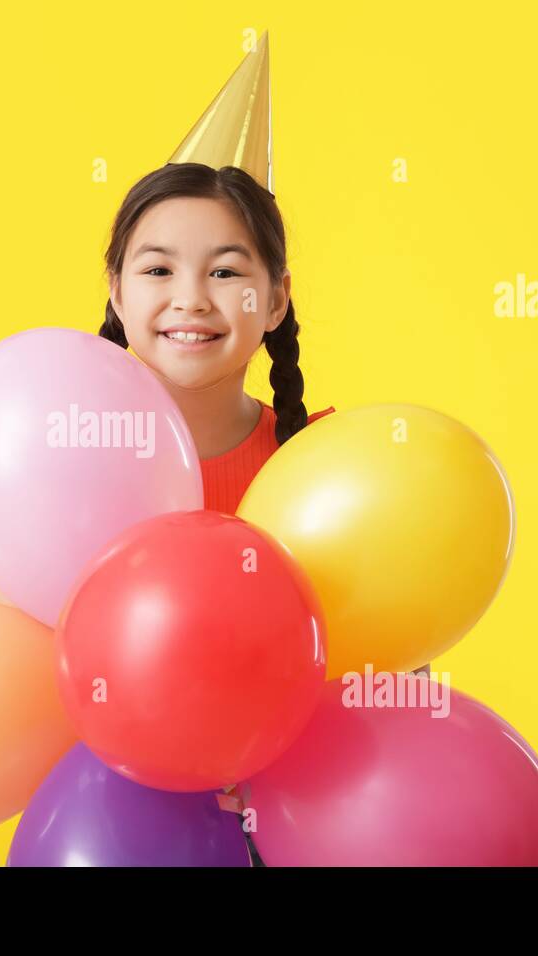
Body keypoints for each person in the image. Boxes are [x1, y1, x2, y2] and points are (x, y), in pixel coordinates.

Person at [97, 160, 336, 865]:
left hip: (299, 836)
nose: (191, 300)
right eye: (158, 271)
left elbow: (392, 677)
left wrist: (270, 768)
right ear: (115, 292)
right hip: (118, 828)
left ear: (276, 300)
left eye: (226, 273)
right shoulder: (67, 467)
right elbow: (22, 673)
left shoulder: (327, 469)